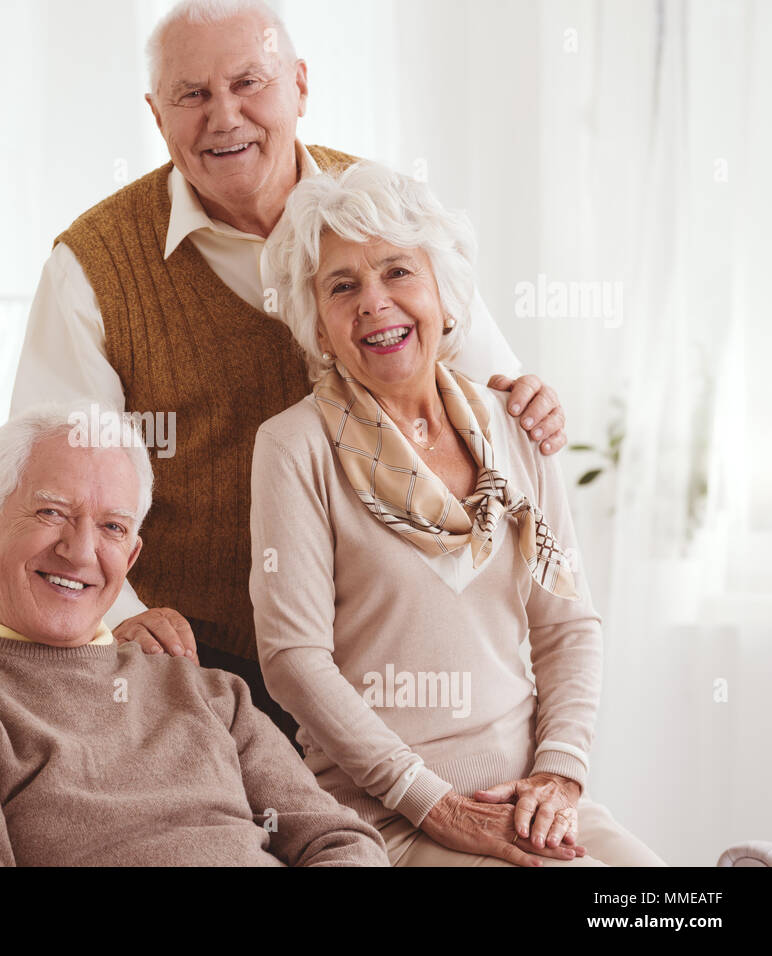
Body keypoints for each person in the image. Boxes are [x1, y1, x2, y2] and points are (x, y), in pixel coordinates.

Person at [10, 0, 567, 743]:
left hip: (408, 655)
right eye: (193, 95)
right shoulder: (93, 265)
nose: (225, 116)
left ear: (300, 85)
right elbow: (56, 473)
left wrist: (530, 402)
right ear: (156, 112)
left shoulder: (382, 209)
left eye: (249, 83)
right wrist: (119, 618)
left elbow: (489, 396)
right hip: (206, 673)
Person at [249, 160, 664, 866]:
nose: (373, 303)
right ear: (318, 324)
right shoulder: (292, 447)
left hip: (528, 797)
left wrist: (558, 776)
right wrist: (435, 805)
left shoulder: (513, 424)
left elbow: (569, 624)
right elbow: (295, 662)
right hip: (390, 815)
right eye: (342, 286)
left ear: (446, 294)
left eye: (398, 272)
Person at [0, 405, 388, 867]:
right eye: (52, 512)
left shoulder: (209, 692)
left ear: (130, 557)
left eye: (112, 527)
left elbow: (342, 841)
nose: (81, 551)